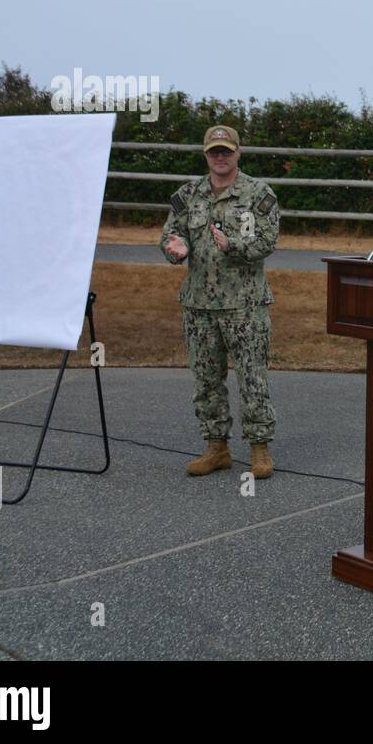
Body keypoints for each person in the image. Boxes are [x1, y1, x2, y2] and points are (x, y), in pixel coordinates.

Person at [160, 124, 281, 479]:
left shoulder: (259, 194)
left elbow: (267, 241)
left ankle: (259, 448)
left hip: (245, 305)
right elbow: (171, 233)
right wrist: (174, 248)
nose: (221, 157)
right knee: (206, 380)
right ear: (206, 155)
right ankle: (217, 447)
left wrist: (234, 246)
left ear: (238, 153)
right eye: (214, 151)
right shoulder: (189, 194)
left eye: (226, 151)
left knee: (252, 378)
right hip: (199, 305)